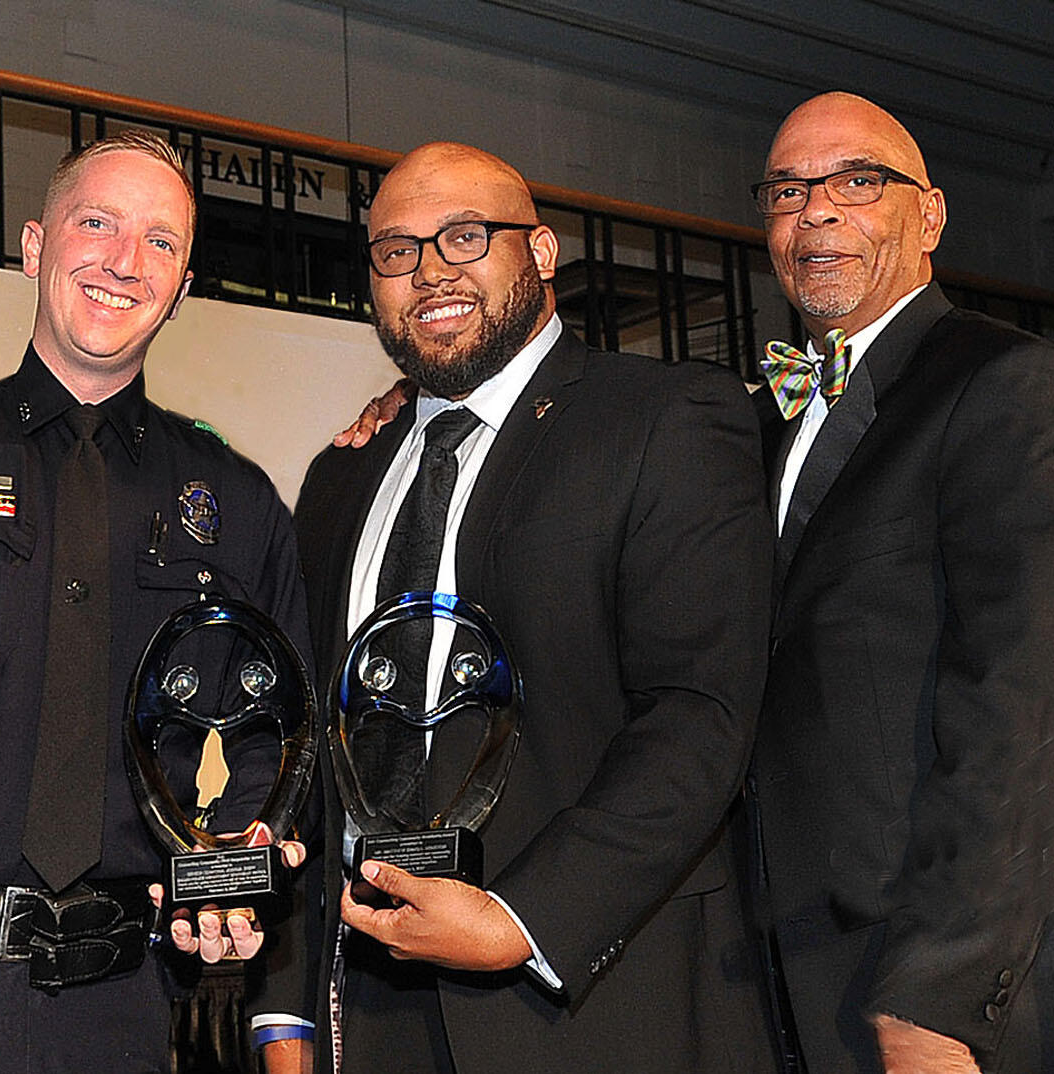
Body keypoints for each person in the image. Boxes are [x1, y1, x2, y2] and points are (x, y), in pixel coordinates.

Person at [0, 130, 316, 1074]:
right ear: (35, 246)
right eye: (96, 223)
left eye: (161, 242)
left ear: (180, 288)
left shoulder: (237, 500)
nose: (124, 262)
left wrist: (247, 859)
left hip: (122, 1006)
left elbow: (275, 730)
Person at [292, 141, 776, 1073]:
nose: (429, 269)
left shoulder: (667, 416)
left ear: (543, 252)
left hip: (596, 1006)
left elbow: (700, 712)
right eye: (396, 251)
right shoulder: (341, 473)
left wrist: (524, 919)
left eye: (465, 236)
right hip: (377, 1008)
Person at [749, 92, 1054, 1074]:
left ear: (932, 216)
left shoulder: (1010, 384)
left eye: (857, 181)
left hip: (943, 989)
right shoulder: (770, 412)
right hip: (789, 976)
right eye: (787, 189)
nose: (815, 209)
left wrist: (942, 989)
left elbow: (1033, 699)